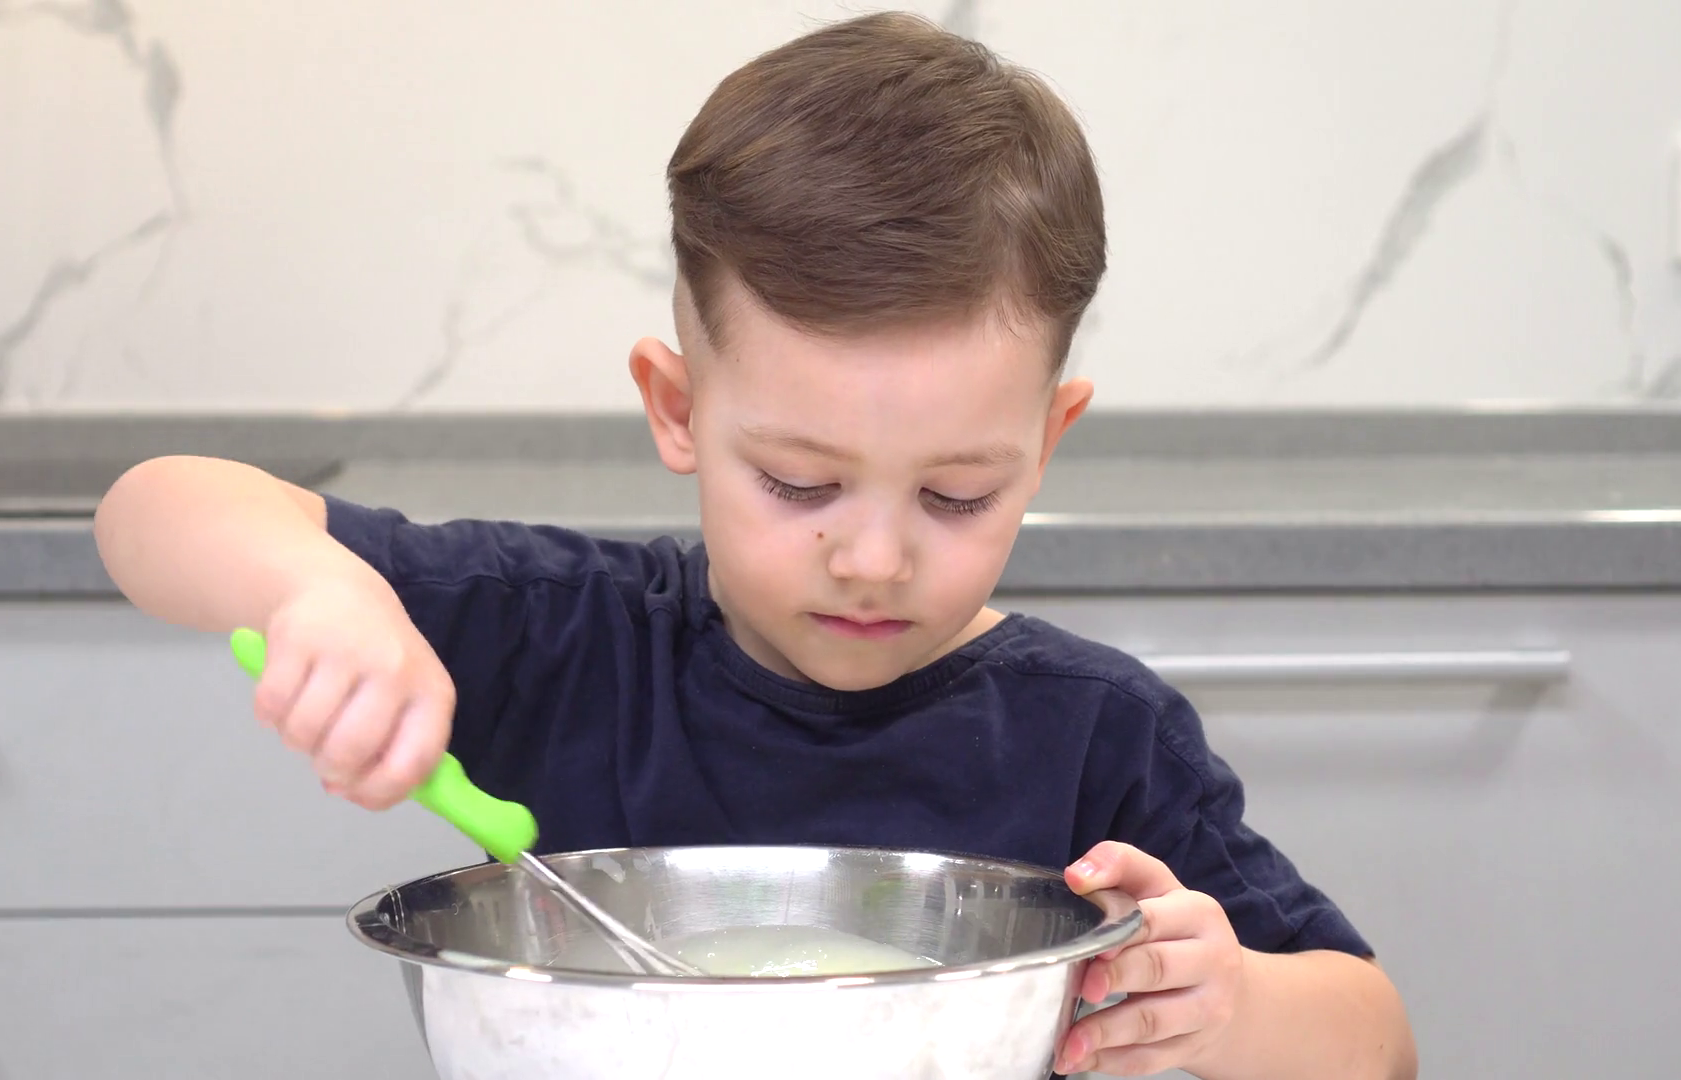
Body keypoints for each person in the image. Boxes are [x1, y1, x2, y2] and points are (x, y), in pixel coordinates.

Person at [94, 12, 1415, 1078]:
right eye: (799, 482)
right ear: (679, 408)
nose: (875, 559)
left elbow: (1377, 1042)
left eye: (955, 496)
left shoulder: (1093, 738)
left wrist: (1229, 1006)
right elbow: (151, 510)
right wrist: (314, 587)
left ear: (1048, 438)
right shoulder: (563, 639)